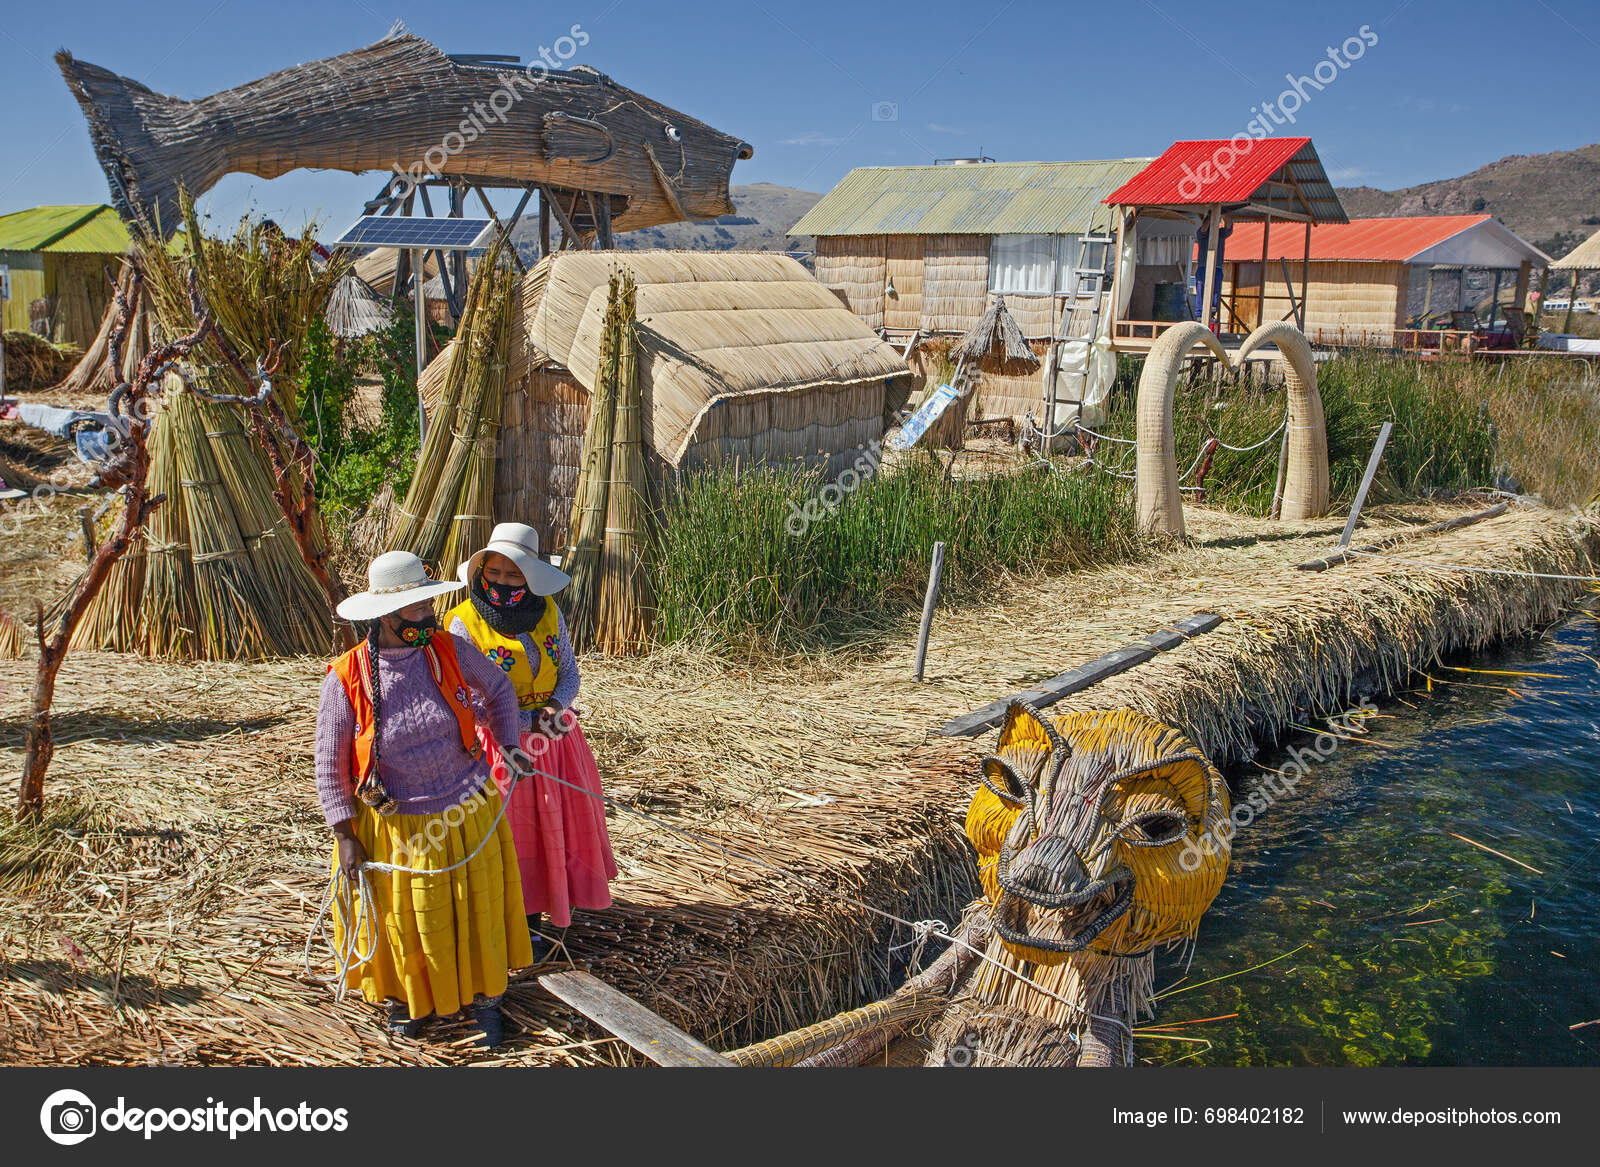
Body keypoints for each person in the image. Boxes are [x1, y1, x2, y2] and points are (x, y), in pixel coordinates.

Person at [315, 550, 534, 1046]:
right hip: (398, 828)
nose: (426, 620)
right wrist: (345, 836)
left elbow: (499, 691)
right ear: (384, 617)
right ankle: (413, 1000)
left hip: (465, 809)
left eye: (427, 609)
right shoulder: (346, 679)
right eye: (415, 613)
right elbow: (329, 768)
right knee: (408, 921)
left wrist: (510, 746)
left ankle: (488, 999)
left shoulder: (448, 650)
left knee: (479, 909)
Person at [448, 523, 617, 961]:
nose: (502, 582)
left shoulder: (548, 614)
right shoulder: (462, 623)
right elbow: (465, 694)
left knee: (553, 832)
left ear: (531, 578)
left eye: (514, 575)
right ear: (482, 570)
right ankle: (505, 925)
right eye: (496, 573)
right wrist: (522, 721)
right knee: (513, 836)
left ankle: (538, 922)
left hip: (555, 742)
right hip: (501, 746)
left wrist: (556, 707)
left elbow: (570, 672)